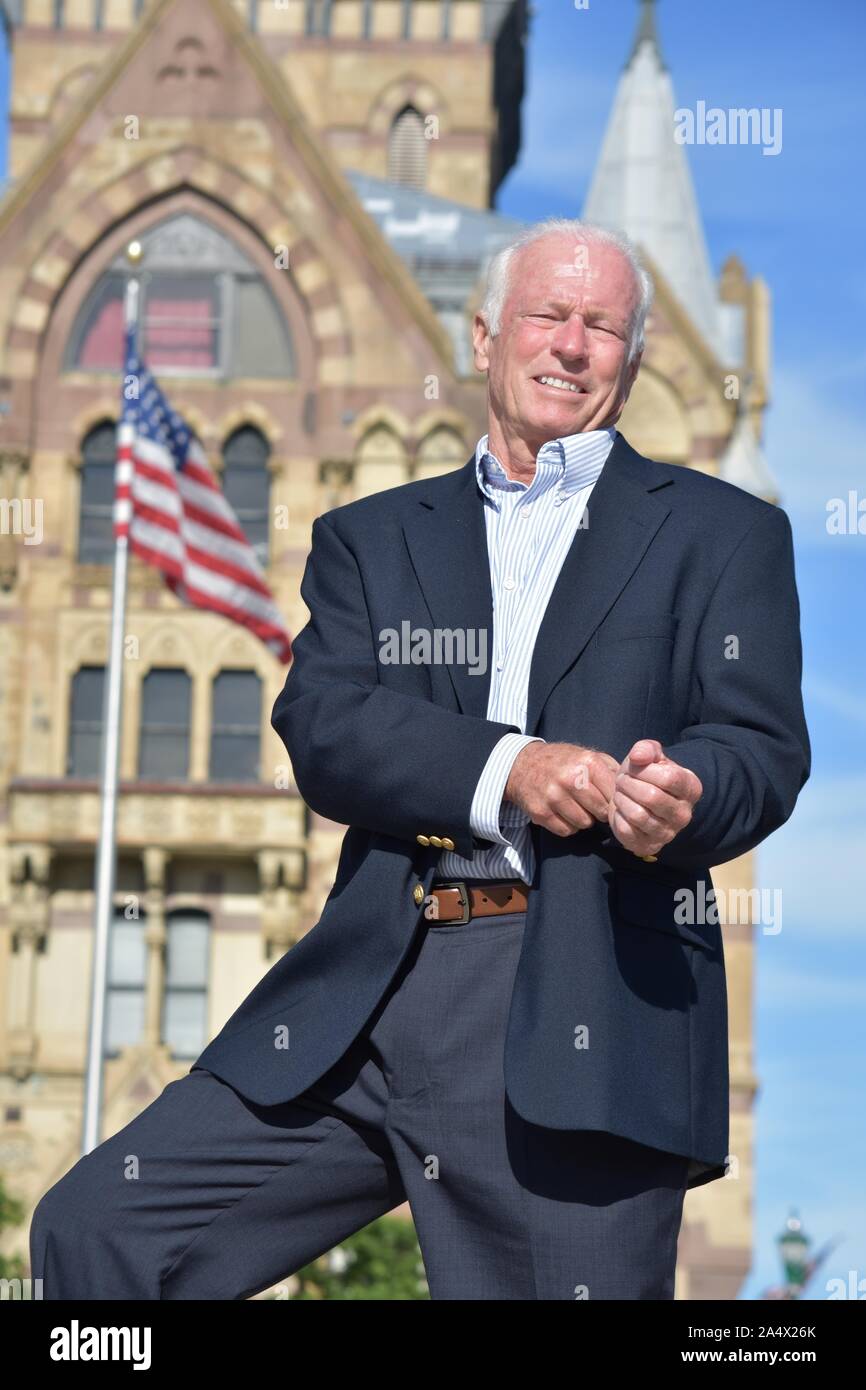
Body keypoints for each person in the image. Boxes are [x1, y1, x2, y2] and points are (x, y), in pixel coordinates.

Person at [30, 218, 810, 1300]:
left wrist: (688, 794)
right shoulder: (372, 534)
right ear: (485, 335)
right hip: (369, 987)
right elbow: (326, 723)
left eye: (601, 327)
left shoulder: (720, 536)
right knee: (100, 1228)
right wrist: (512, 770)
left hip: (584, 987)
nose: (571, 344)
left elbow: (757, 746)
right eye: (548, 315)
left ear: (630, 367)